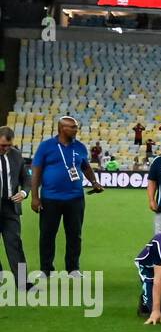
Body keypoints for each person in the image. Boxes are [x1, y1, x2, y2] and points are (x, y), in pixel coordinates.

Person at [30, 116, 102, 277]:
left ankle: (73, 268)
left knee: (74, 235)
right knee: (47, 234)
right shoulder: (46, 146)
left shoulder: (80, 147)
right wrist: (35, 197)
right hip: (50, 198)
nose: (76, 130)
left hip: (75, 198)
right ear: (62, 128)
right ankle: (46, 269)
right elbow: (36, 172)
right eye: (72, 127)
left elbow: (85, 166)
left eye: (76, 127)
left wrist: (94, 182)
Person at [0, 126, 30, 283]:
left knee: (15, 244)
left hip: (11, 207)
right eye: (2, 145)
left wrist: (24, 193)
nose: (5, 149)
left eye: (8, 146)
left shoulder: (16, 155)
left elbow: (26, 179)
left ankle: (23, 282)